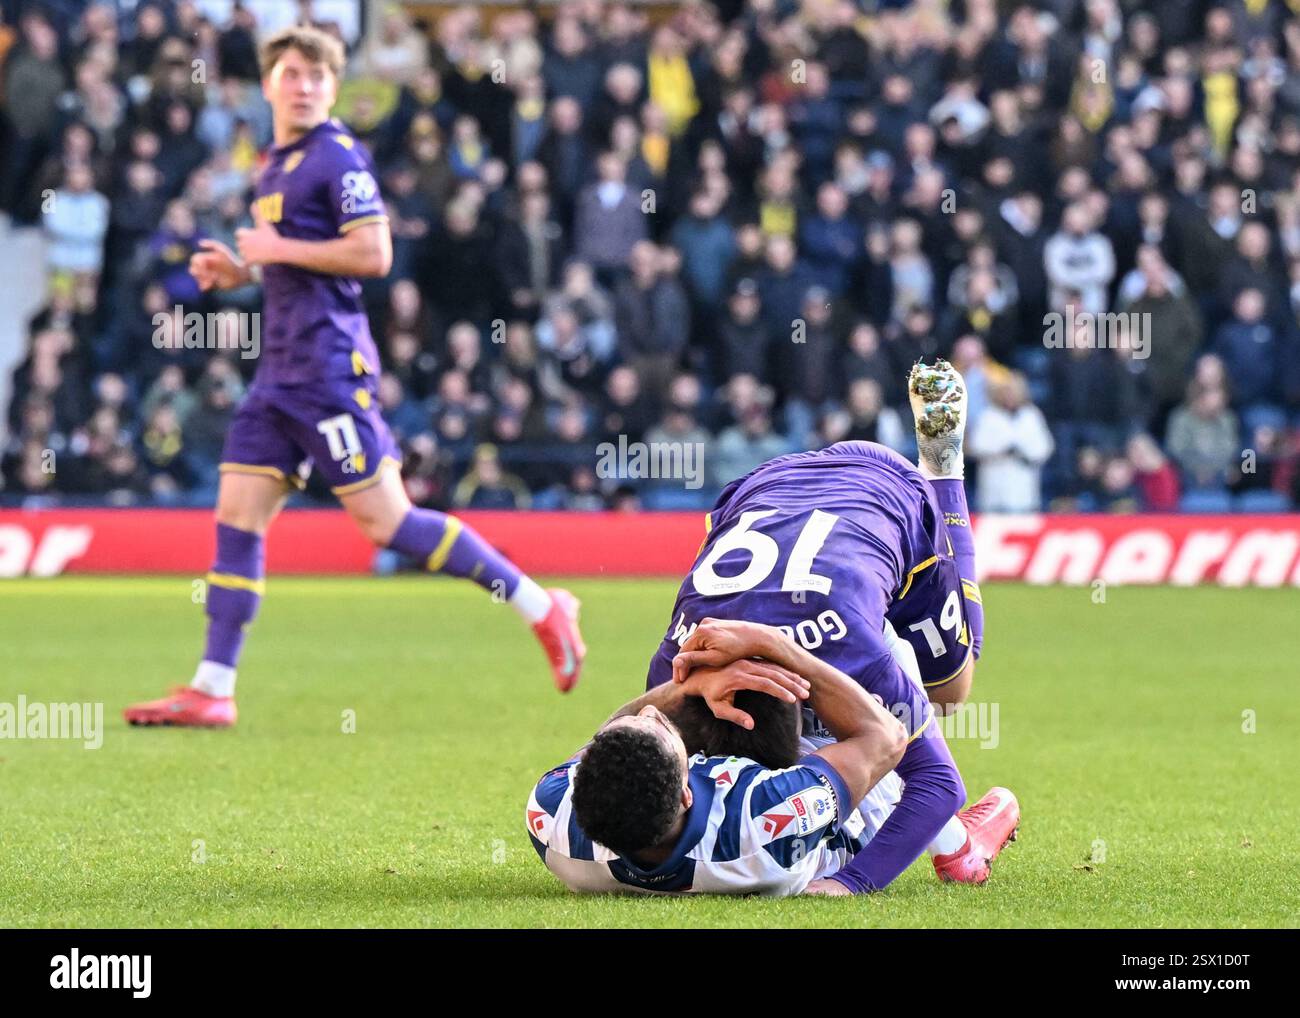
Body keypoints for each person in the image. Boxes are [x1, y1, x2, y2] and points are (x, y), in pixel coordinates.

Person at [124, 27, 585, 728]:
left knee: (390, 524)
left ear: (334, 88)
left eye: (317, 74)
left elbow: (373, 252)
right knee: (237, 516)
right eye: (291, 72)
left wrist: (274, 246)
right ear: (268, 83)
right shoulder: (275, 163)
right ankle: (214, 687)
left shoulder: (338, 157)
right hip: (276, 377)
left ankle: (539, 604)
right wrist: (243, 271)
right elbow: (303, 260)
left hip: (331, 371)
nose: (303, 84)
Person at [547, 362, 1018, 894]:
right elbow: (621, 752)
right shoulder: (676, 662)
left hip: (889, 492)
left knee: (948, 695)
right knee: (868, 738)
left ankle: (945, 469)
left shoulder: (856, 648)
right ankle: (956, 844)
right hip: (759, 487)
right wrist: (698, 679)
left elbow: (935, 782)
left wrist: (852, 883)